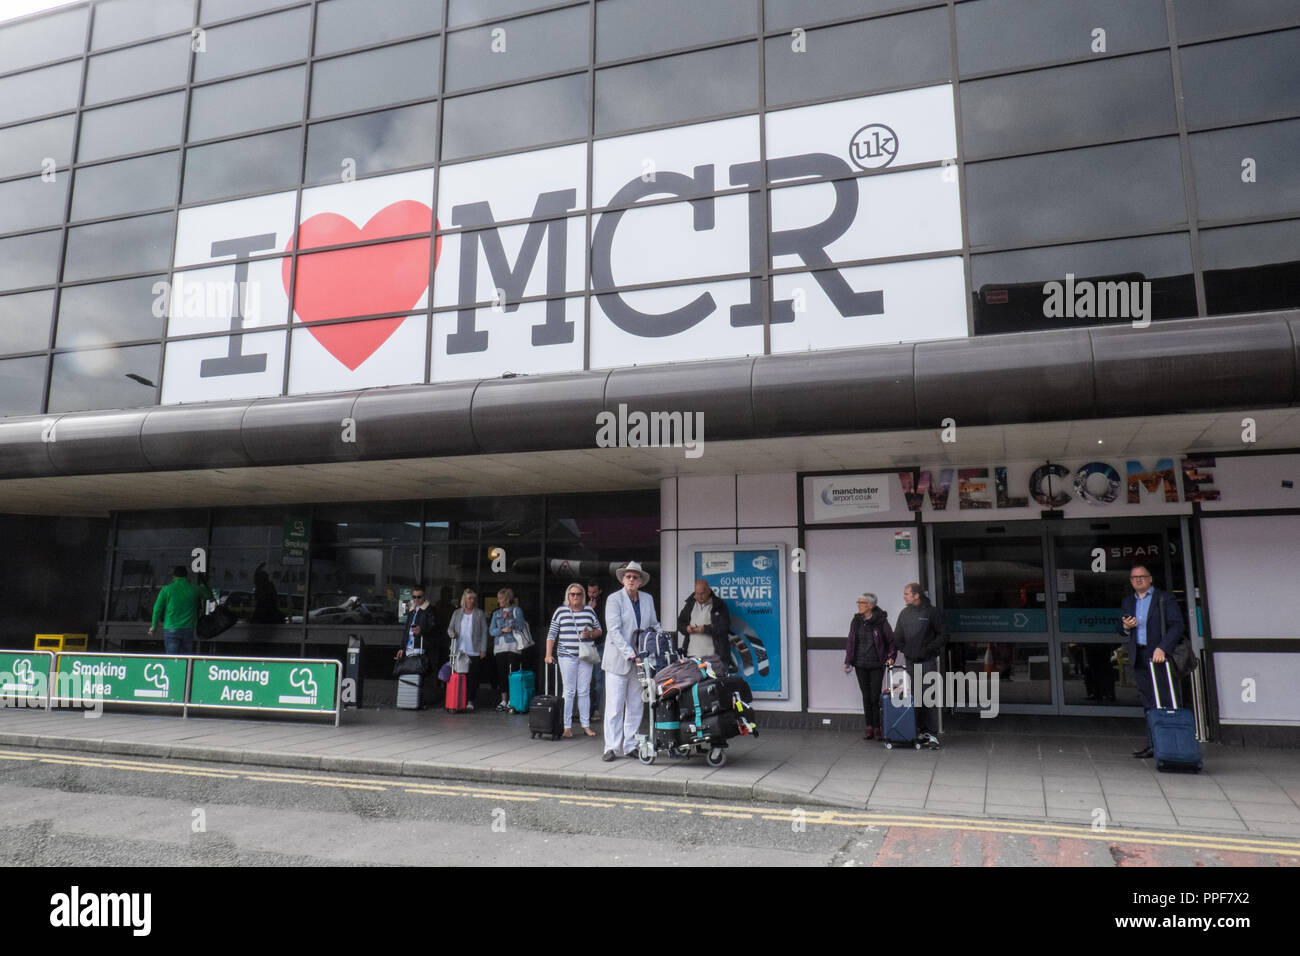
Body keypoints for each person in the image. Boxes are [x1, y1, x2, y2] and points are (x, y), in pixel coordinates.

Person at [1118, 565, 1185, 758]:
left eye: (1142, 576)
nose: (1138, 580)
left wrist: (1163, 647)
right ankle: (1153, 744)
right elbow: (1121, 630)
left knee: (1165, 701)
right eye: (1134, 578)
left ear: (1150, 579)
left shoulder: (1164, 599)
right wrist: (1125, 626)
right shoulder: (1128, 602)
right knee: (1147, 702)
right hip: (1139, 655)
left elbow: (1177, 625)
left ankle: (1172, 745)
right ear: (1130, 581)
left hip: (1159, 655)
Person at [602, 560, 658, 761]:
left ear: (641, 581)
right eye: (628, 576)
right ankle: (611, 747)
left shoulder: (647, 599)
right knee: (615, 706)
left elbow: (654, 625)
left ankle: (631, 744)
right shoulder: (614, 599)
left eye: (635, 577)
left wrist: (656, 644)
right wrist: (630, 653)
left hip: (641, 661)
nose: (632, 580)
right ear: (623, 579)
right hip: (619, 659)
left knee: (635, 705)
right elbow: (614, 631)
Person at [892, 582, 947, 747]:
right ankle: (916, 731)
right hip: (910, 662)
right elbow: (897, 636)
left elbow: (944, 635)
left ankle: (931, 734)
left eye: (907, 593)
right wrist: (905, 649)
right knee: (913, 697)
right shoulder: (904, 613)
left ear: (916, 595)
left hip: (927, 661)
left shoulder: (932, 612)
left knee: (928, 697)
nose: (904, 596)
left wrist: (926, 650)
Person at [545, 583, 601, 738]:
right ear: (567, 596)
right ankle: (566, 726)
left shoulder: (589, 611)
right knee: (569, 691)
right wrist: (548, 655)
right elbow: (552, 634)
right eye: (572, 594)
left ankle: (586, 725)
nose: (575, 597)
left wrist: (589, 634)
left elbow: (599, 630)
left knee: (584, 691)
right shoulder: (560, 611)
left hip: (585, 656)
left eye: (578, 594)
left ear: (583, 596)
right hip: (566, 655)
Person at [844, 593, 895, 741]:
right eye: (858, 602)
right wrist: (848, 661)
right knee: (865, 696)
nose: (859, 605)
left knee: (874, 696)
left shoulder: (881, 621)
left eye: (862, 603)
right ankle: (869, 727)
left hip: (876, 664)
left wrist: (891, 657)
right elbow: (851, 641)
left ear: (870, 606)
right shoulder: (856, 621)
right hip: (860, 663)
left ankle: (878, 726)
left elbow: (890, 641)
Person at [147, 566, 211, 655]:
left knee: (172, 658)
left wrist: (154, 626)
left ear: (173, 576)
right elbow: (209, 596)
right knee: (185, 659)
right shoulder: (194, 588)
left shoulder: (166, 589)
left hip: (171, 628)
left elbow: (157, 609)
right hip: (188, 628)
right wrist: (204, 584)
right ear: (186, 576)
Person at [676, 578, 732, 669]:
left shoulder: (719, 604)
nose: (700, 597)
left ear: (709, 591)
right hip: (692, 656)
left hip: (714, 658)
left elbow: (724, 627)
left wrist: (705, 629)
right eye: (697, 594)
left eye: (702, 593)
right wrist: (686, 628)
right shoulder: (690, 604)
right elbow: (680, 623)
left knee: (715, 683)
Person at [447, 588, 487, 710]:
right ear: (464, 599)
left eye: (474, 598)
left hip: (474, 650)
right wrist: (451, 633)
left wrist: (483, 649)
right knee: (460, 676)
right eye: (469, 598)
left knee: (473, 678)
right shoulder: (457, 613)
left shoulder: (479, 613)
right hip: (460, 650)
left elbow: (484, 631)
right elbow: (450, 628)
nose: (472, 600)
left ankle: (470, 701)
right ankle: (459, 699)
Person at [395, 584, 434, 708]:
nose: (416, 600)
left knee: (420, 672)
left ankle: (420, 700)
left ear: (424, 597)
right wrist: (402, 647)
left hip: (420, 645)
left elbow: (433, 627)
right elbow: (406, 630)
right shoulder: (412, 611)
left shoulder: (428, 610)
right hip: (409, 646)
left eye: (419, 597)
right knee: (408, 670)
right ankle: (410, 698)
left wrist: (421, 630)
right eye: (414, 597)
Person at [489, 587, 528, 712]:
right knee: (502, 674)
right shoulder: (496, 614)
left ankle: (513, 699)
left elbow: (521, 625)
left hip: (513, 647)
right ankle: (503, 700)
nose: (498, 601)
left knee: (513, 673)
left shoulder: (517, 610)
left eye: (501, 598)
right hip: (499, 647)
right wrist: (501, 630)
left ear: (507, 599)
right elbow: (491, 631)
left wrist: (510, 617)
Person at [585, 580, 607, 719]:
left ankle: (596, 708)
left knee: (598, 678)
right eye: (589, 592)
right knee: (586, 678)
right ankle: (586, 709)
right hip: (586, 646)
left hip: (599, 645)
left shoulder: (604, 605)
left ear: (600, 592)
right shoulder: (584, 604)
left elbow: (602, 626)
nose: (592, 595)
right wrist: (588, 609)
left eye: (594, 592)